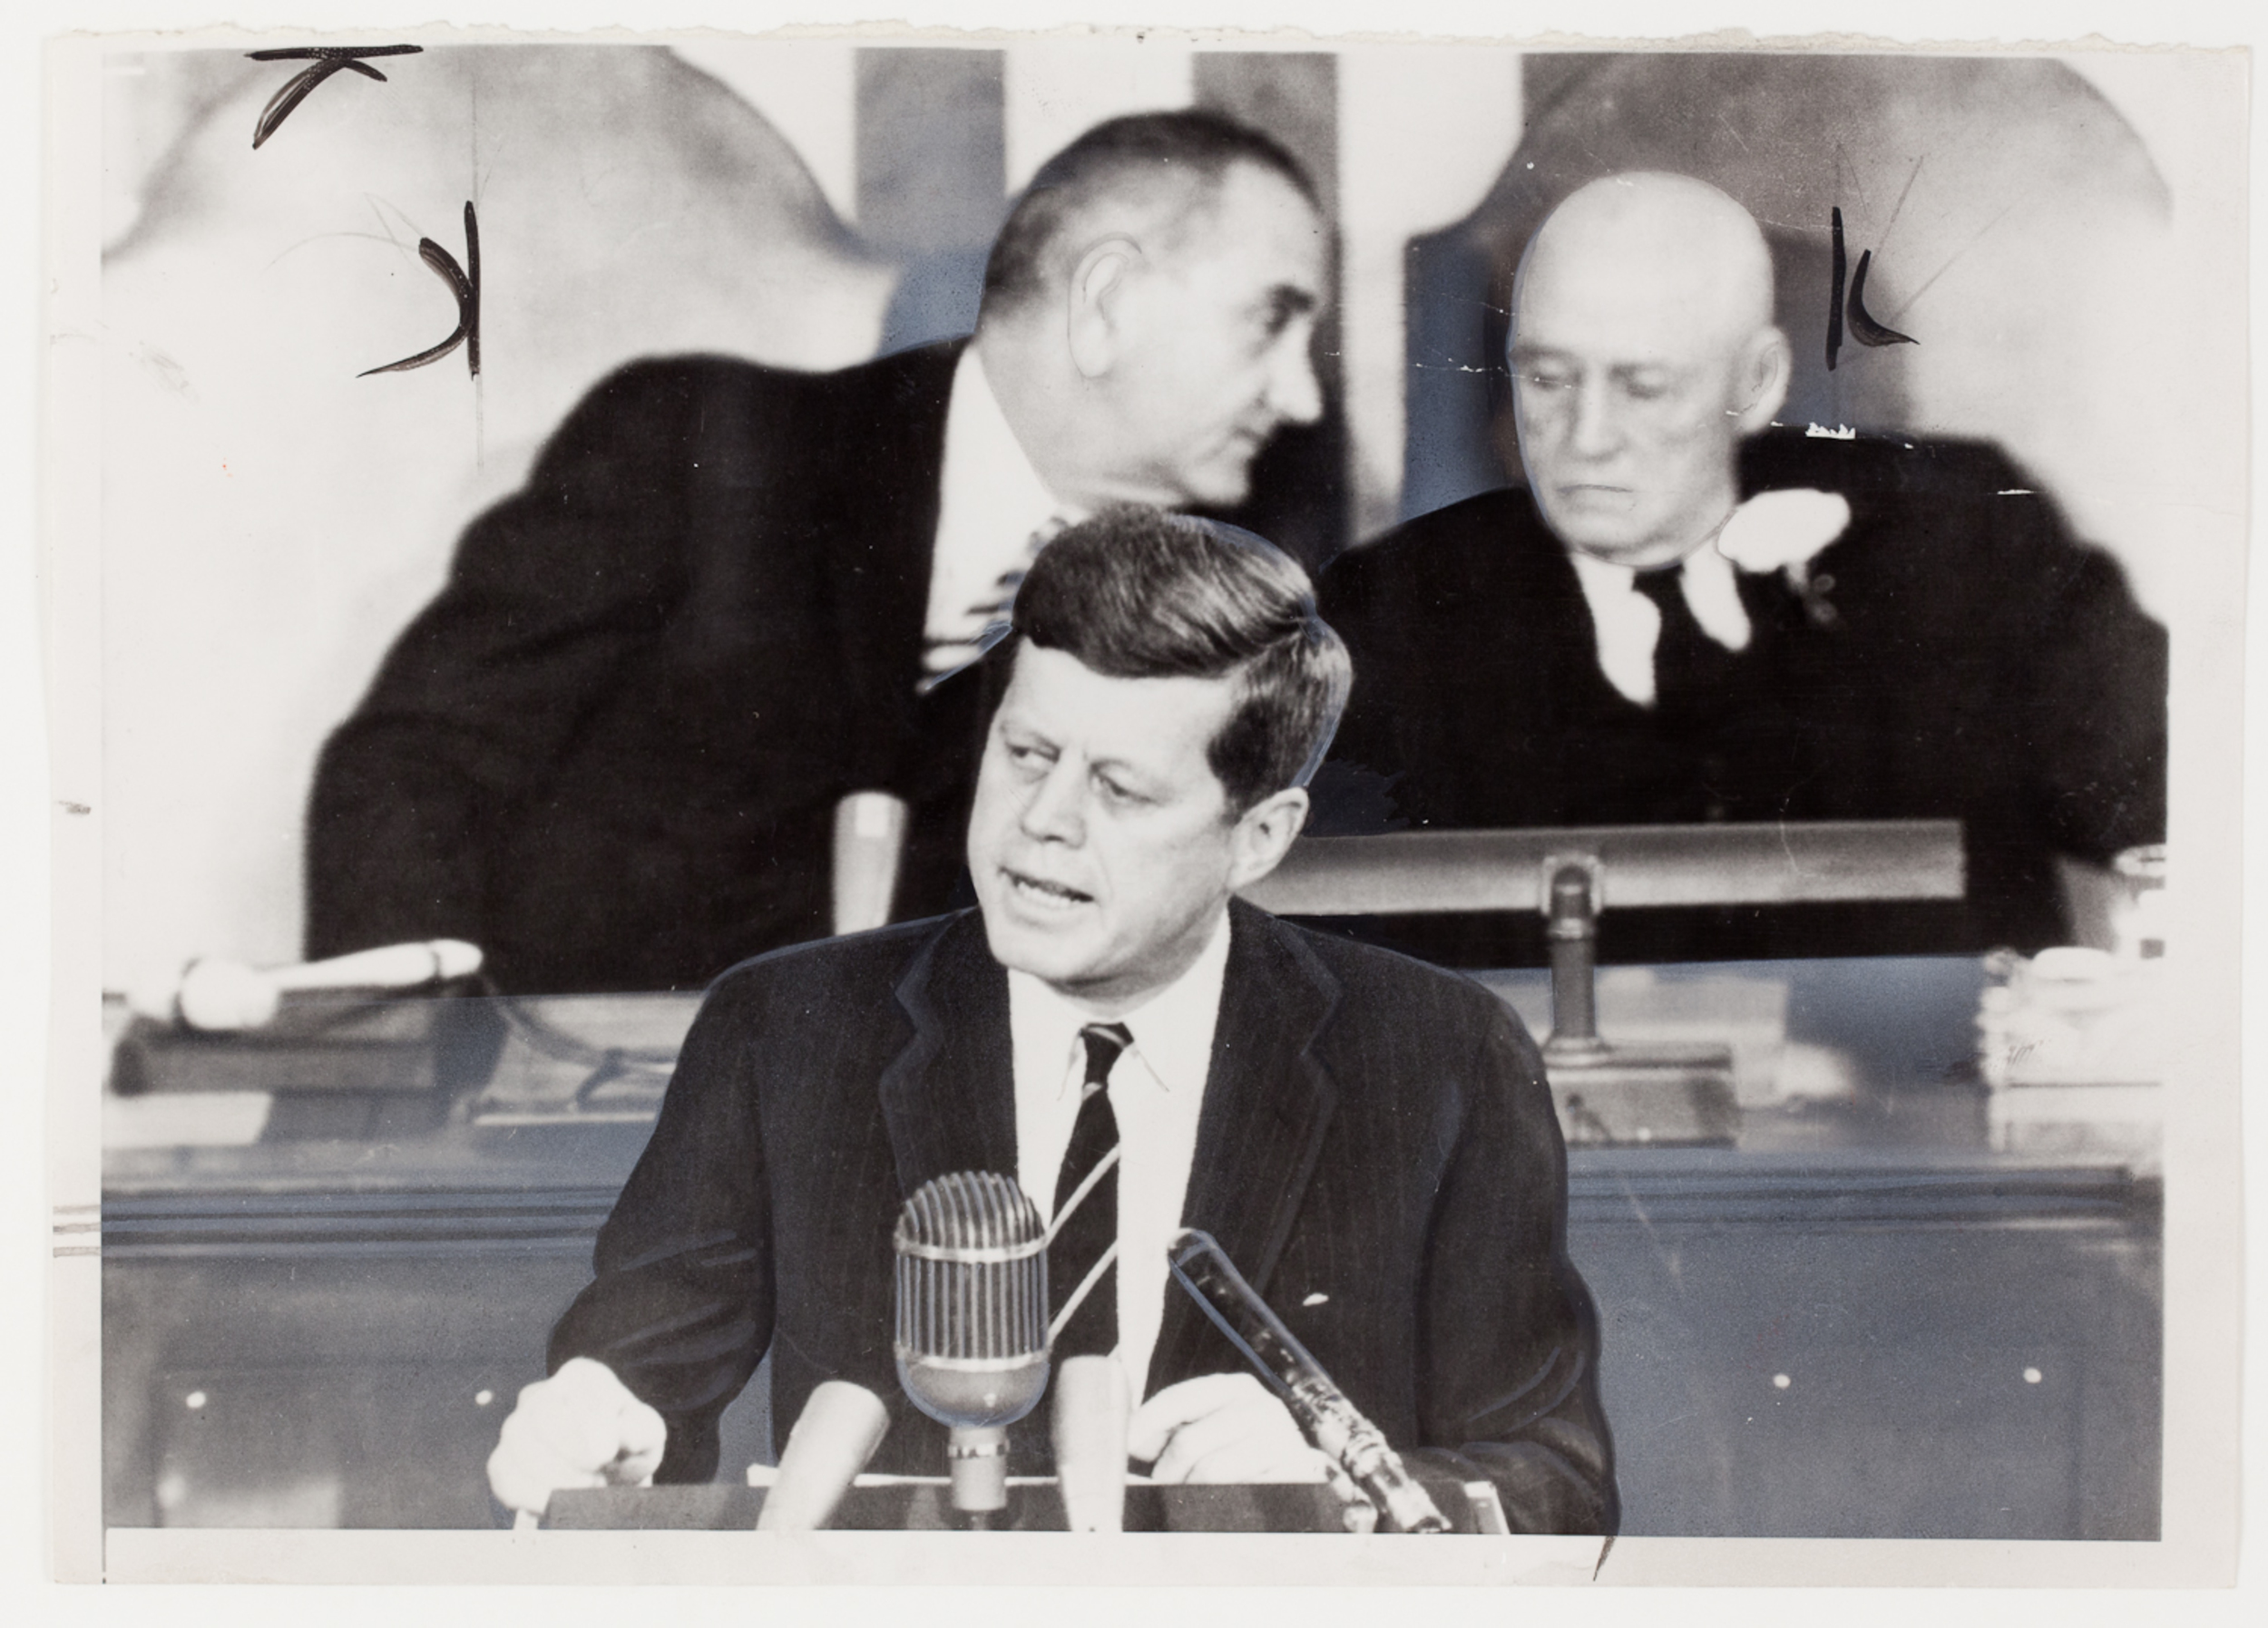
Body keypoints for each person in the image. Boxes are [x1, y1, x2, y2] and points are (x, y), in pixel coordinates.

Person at [484, 508, 1616, 1534]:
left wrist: (1344, 1497)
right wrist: (600, 1426)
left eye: (1118, 790)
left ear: (1260, 836)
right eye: (1025, 754)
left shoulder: (1439, 1055)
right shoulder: (783, 1028)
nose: (1041, 822)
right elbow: (637, 1380)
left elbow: (1554, 1479)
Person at [305, 110, 1330, 993]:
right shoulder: (701, 447)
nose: (1301, 398)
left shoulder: (1251, 600)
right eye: (1269, 322)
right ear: (1106, 302)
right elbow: (414, 770)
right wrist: (406, 1102)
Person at [1319, 171, 2166, 962]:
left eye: (1644, 386)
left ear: (1757, 383)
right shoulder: (1389, 612)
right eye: (1547, 378)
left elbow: (2193, 803)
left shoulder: (1968, 545)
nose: (1585, 438)